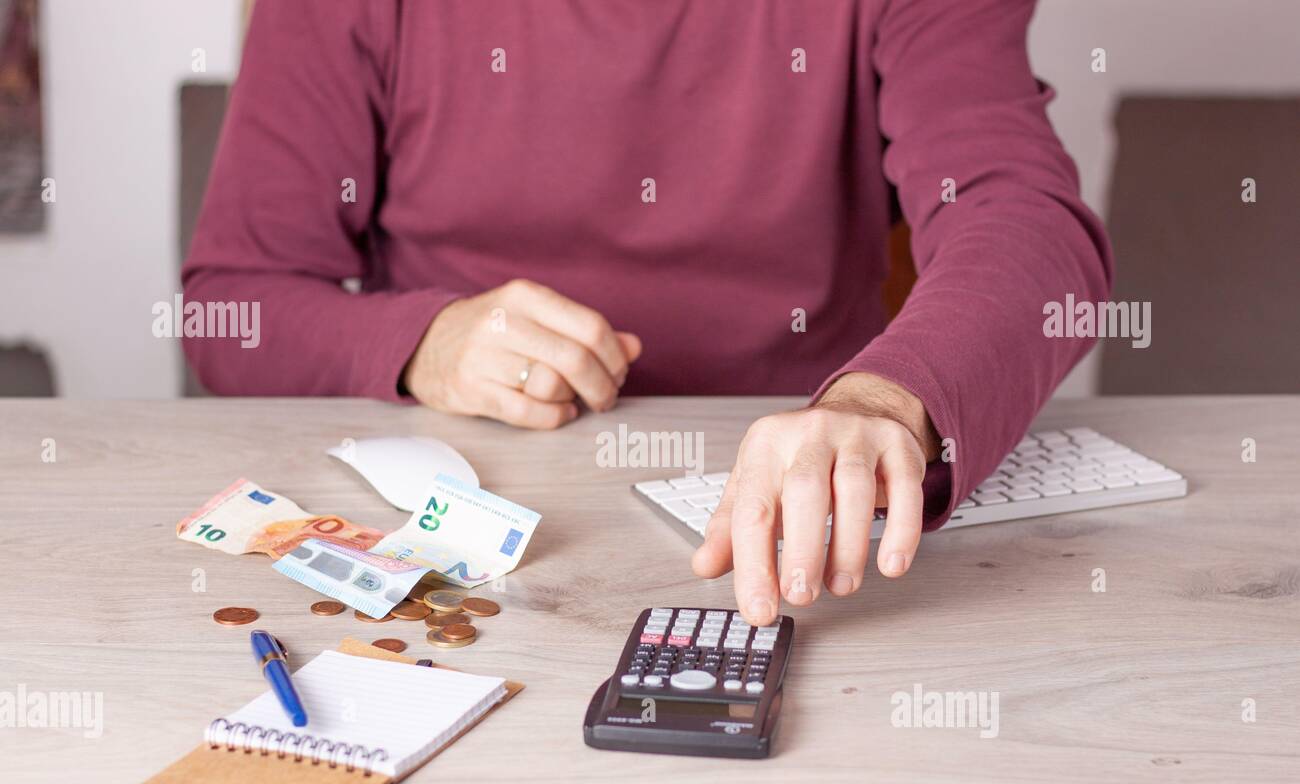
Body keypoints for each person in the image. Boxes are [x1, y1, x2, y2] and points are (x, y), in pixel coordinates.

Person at [183, 0, 1111, 626]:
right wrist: (421, 342)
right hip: (468, 541)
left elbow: (1028, 223)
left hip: (799, 536)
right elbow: (234, 304)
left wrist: (882, 405)